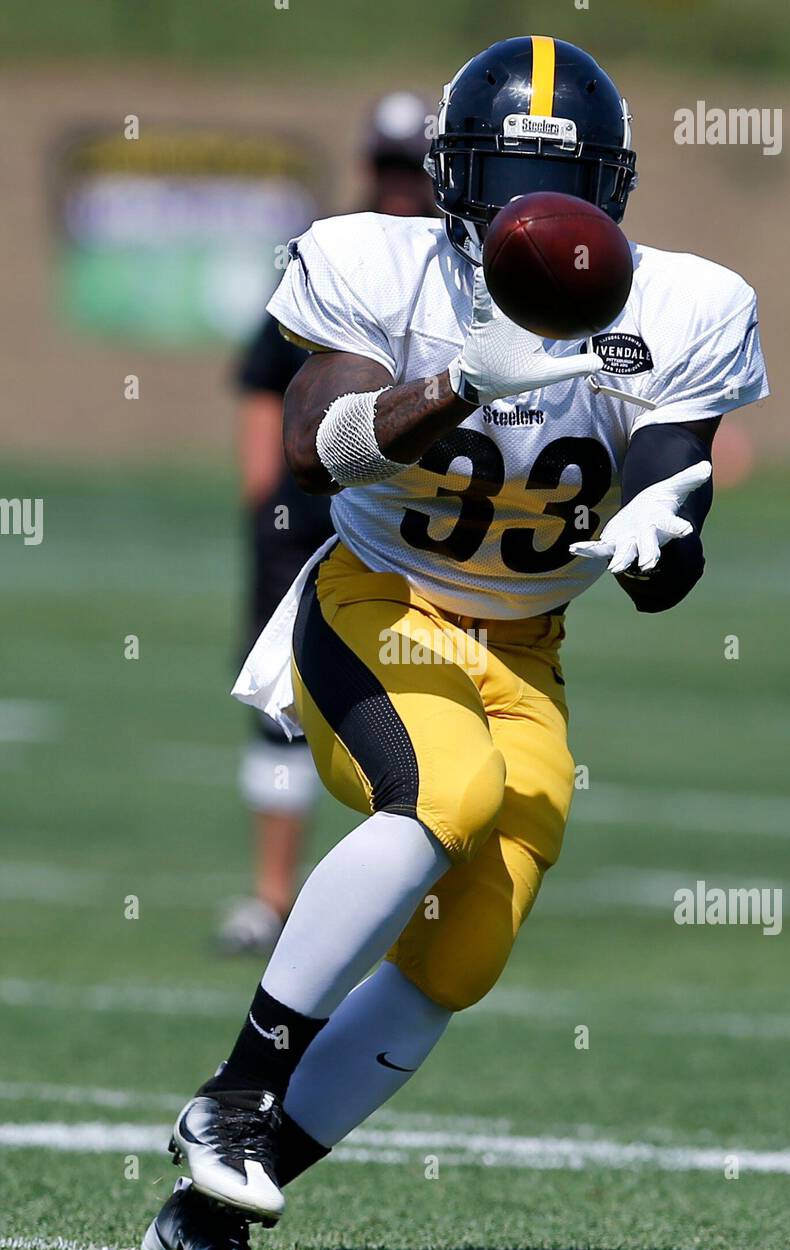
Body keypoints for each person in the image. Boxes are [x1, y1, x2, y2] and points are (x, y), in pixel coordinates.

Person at [142, 36, 768, 1250]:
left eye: (566, 180)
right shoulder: (377, 265)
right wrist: (455, 384)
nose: (534, 214)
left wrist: (663, 533)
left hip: (527, 647)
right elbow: (318, 442)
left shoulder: (689, 304)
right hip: (377, 603)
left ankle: (215, 1206)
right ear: (445, 178)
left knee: (466, 946)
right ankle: (230, 1090)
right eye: (503, 176)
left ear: (616, 189)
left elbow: (663, 534)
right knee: (446, 788)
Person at [218, 91, 437, 953]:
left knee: (420, 704)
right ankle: (272, 896)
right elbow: (261, 371)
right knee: (278, 704)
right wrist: (260, 486)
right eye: (384, 166)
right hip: (312, 512)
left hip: (414, 527)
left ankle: (396, 903)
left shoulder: (460, 270)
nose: (396, 186)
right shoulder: (337, 255)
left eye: (411, 169)